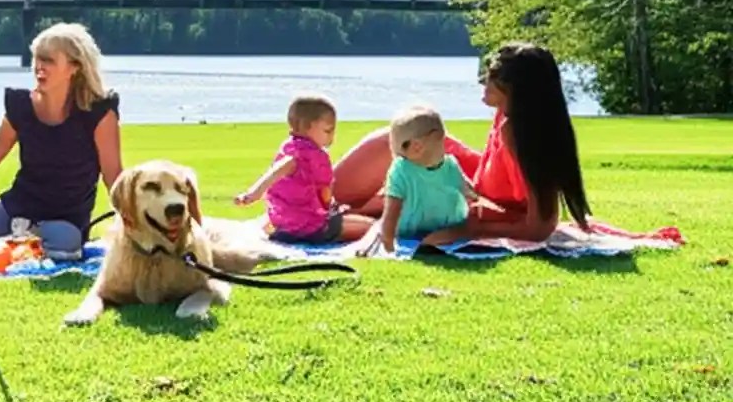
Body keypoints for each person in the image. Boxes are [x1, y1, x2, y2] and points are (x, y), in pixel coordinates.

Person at [331, 41, 592, 244]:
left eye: (493, 75)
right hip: (477, 181)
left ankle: (319, 207)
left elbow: (540, 226)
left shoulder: (520, 131)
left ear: (516, 87)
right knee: (404, 133)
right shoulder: (509, 115)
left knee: (398, 145)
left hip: (480, 195)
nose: (484, 80)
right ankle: (322, 204)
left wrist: (471, 229)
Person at [0, 22, 130, 260]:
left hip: (65, 220)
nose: (39, 66)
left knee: (65, 242)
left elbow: (113, 174)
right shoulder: (21, 105)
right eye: (37, 58)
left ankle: (17, 241)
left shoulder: (98, 112)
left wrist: (131, 220)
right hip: (17, 210)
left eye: (48, 60)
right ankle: (19, 239)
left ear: (74, 67)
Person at [356, 106, 503, 255]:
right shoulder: (401, 170)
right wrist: (389, 247)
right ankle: (427, 242)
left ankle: (432, 241)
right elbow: (391, 211)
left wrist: (490, 208)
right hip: (409, 230)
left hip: (450, 226)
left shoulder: (450, 165)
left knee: (469, 226)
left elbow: (471, 192)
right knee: (381, 227)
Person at [233, 92, 372, 244]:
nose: (332, 137)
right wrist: (254, 193)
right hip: (312, 227)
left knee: (351, 218)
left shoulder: (290, 148)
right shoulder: (301, 155)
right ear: (306, 127)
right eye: (327, 130)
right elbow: (276, 172)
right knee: (372, 227)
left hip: (285, 225)